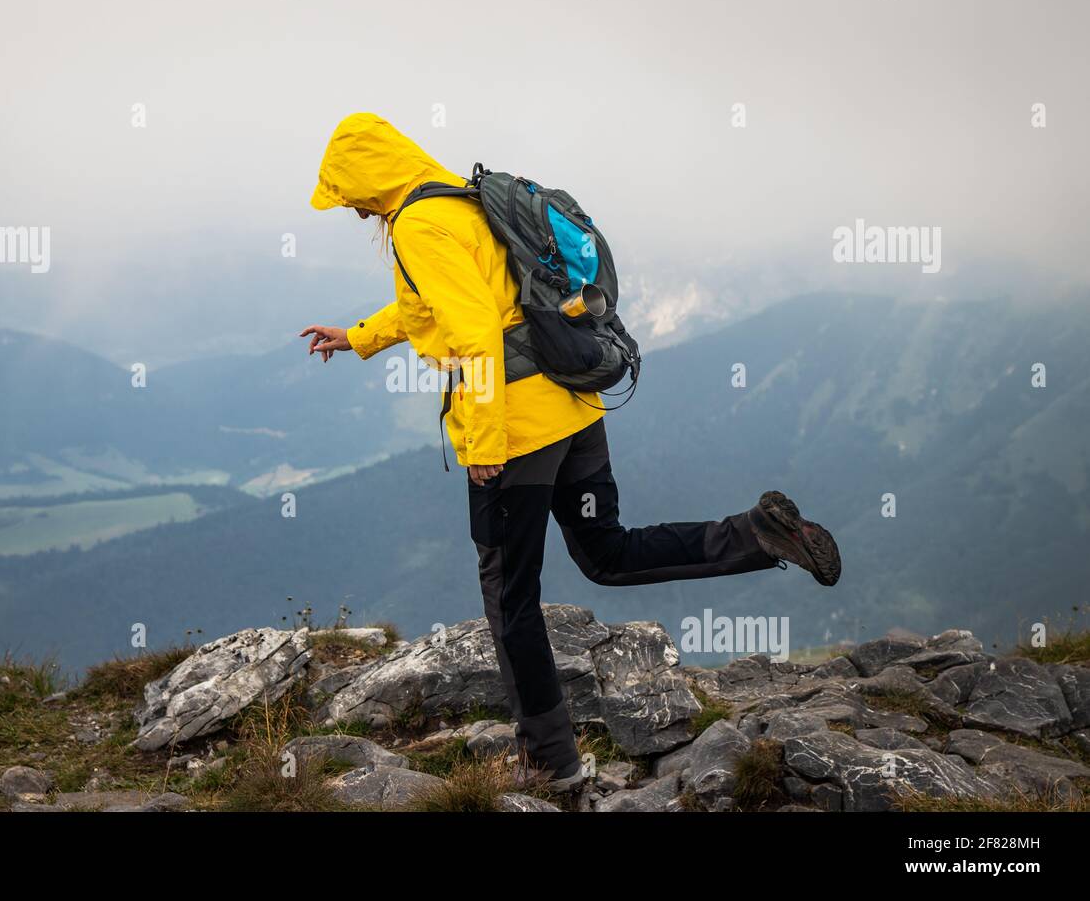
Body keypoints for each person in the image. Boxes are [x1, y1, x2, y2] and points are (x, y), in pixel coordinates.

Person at [301, 113, 841, 791]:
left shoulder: (416, 224)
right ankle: (760, 534)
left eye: (344, 191)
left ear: (367, 177)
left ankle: (550, 766)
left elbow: (473, 336)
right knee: (607, 551)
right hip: (573, 402)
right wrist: (356, 335)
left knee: (511, 599)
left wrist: (487, 443)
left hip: (518, 431)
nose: (347, 207)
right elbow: (433, 310)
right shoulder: (462, 198)